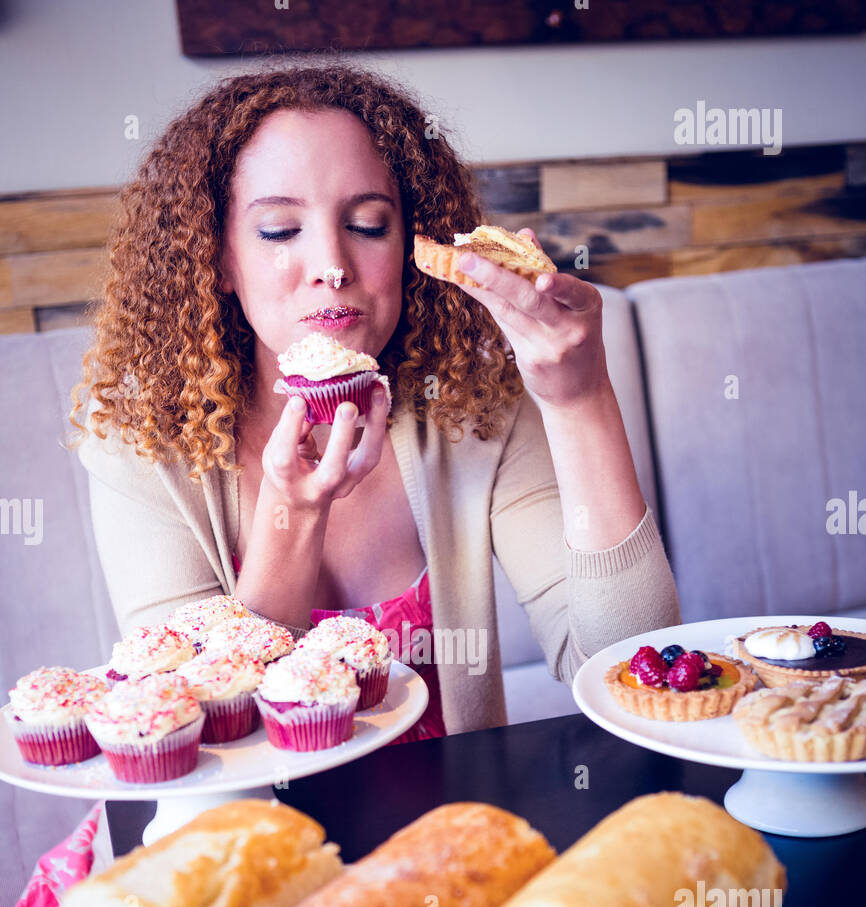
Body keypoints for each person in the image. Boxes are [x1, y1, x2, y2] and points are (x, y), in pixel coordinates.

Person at [69, 60, 681, 740]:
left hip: (449, 828)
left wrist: (580, 397)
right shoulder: (141, 440)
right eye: (278, 230)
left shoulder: (475, 406)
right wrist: (292, 518)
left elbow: (631, 668)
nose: (333, 262)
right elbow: (187, 731)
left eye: (367, 223)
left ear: (409, 246)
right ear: (217, 258)